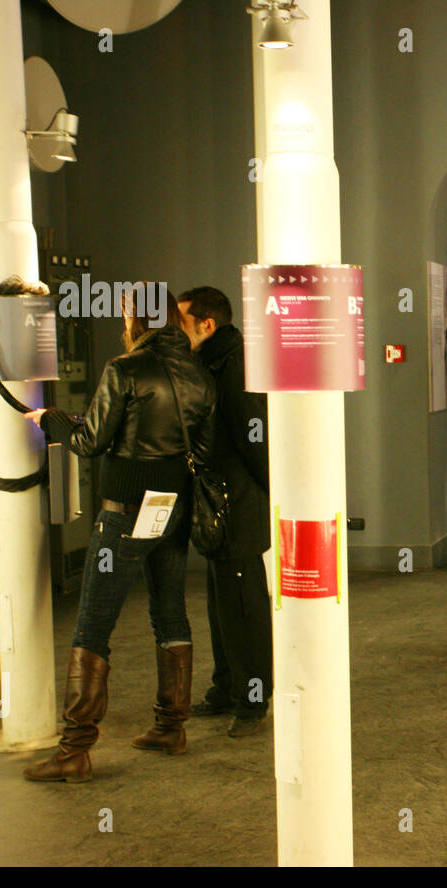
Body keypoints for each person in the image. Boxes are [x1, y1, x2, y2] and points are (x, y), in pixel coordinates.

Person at [22, 288, 216, 782]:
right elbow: (202, 446)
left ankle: (74, 751)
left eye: (125, 315)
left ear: (138, 318)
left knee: (92, 625)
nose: (121, 325)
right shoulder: (199, 374)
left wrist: (51, 420)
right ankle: (171, 727)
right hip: (172, 507)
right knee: (170, 614)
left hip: (125, 512)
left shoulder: (125, 369)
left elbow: (89, 442)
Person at [177, 286, 273, 737]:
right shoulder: (216, 360)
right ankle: (227, 686)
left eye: (183, 321)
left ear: (207, 324)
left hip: (237, 502)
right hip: (224, 501)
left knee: (243, 605)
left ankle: (252, 701)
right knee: (222, 603)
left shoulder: (234, 366)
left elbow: (254, 439)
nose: (177, 329)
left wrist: (270, 490)